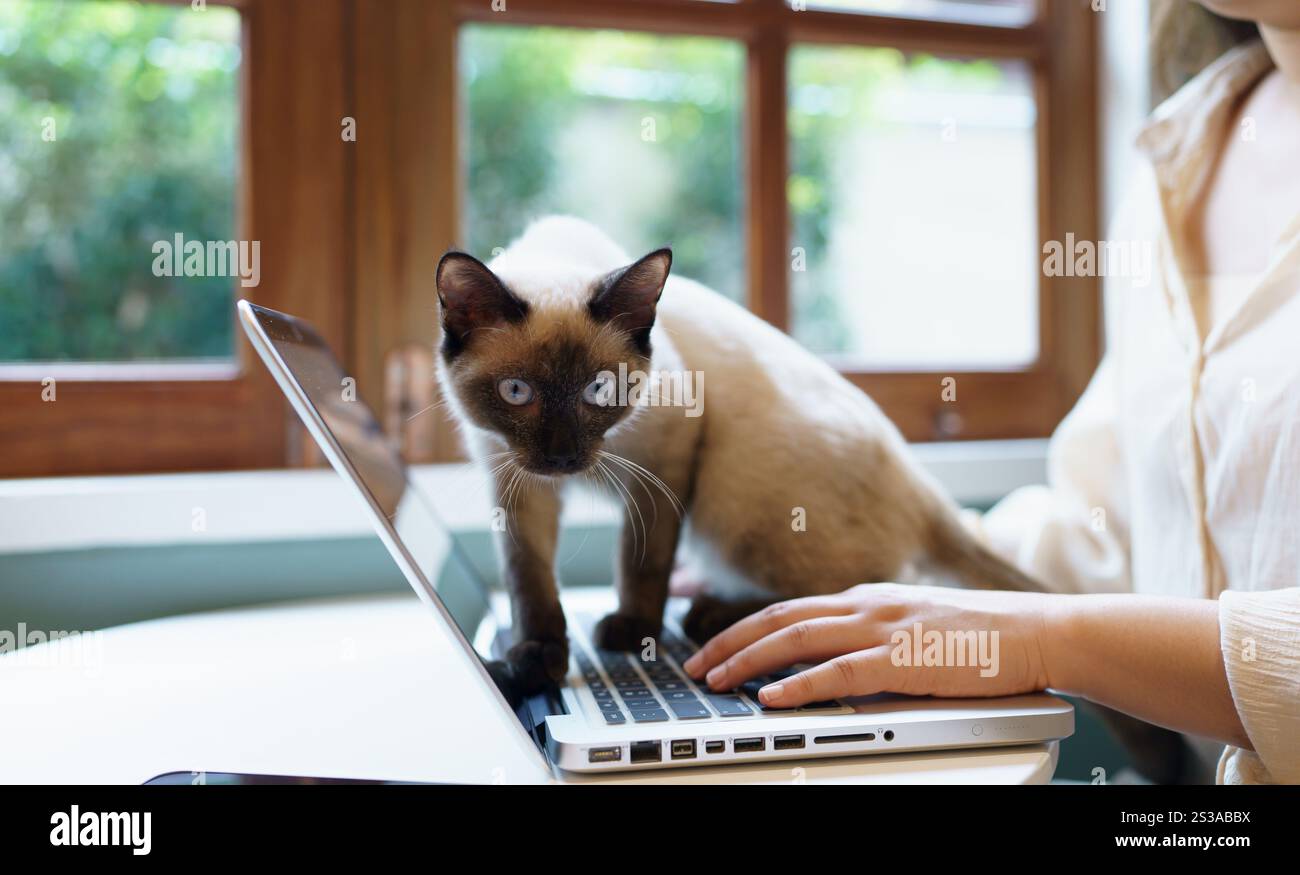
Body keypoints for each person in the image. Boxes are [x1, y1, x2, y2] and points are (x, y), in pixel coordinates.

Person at [684, 0, 1300, 784]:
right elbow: (1103, 538)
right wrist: (836, 561)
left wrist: (1047, 637)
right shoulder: (1176, 155)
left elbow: (1063, 614)